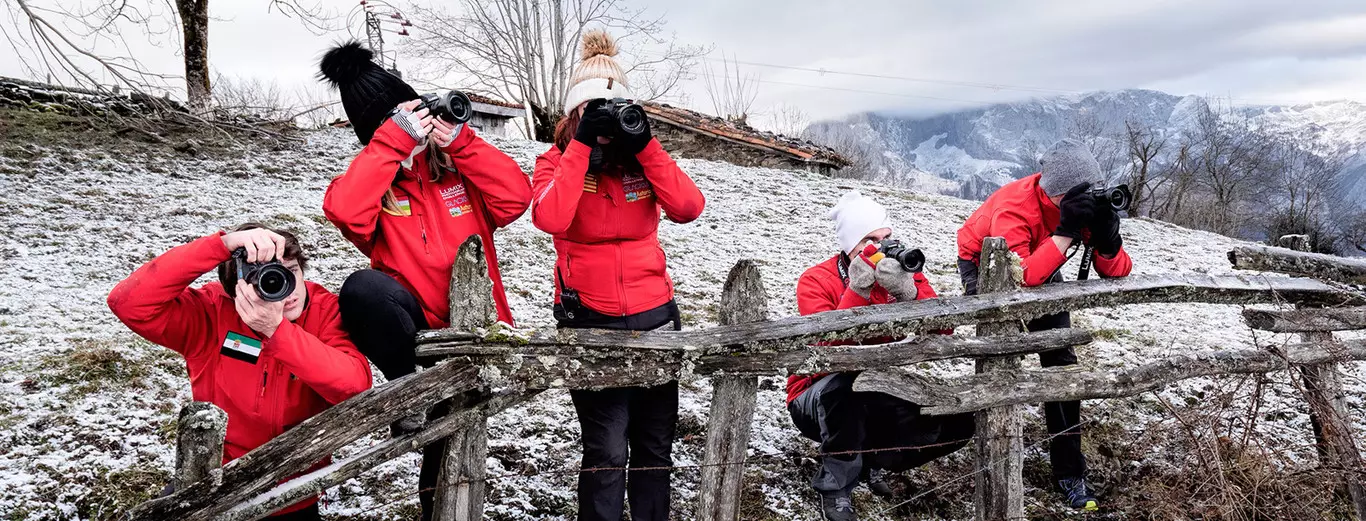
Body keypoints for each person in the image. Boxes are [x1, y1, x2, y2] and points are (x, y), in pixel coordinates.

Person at [318, 41, 532, 521]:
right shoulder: (372, 182)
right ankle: (407, 392)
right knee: (361, 288)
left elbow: (517, 197)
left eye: (411, 110)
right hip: (413, 333)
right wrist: (392, 144)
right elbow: (345, 212)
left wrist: (460, 141)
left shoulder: (458, 169)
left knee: (452, 441)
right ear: (376, 132)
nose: (413, 123)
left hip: (472, 324)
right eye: (395, 118)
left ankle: (442, 507)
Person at [530, 30, 704, 521]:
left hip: (655, 322)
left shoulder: (640, 162)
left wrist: (645, 144)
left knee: (654, 449)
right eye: (592, 111)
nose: (603, 121)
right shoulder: (554, 163)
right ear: (573, 115)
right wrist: (581, 148)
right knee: (606, 451)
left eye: (612, 109)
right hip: (591, 323)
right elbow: (551, 218)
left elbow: (689, 207)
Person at [107, 224, 372, 521]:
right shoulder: (211, 313)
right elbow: (128, 304)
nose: (286, 287)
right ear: (237, 288)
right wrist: (220, 246)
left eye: (291, 271)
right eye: (266, 277)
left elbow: (354, 387)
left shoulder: (323, 311)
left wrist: (277, 331)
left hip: (293, 486)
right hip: (217, 479)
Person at [956, 138, 1132, 511]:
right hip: (986, 261)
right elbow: (1021, 277)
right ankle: (993, 443)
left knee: (1061, 364)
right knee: (999, 351)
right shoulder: (1013, 208)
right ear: (1053, 194)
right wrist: (1066, 230)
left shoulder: (1077, 207)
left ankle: (1070, 472)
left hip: (1041, 259)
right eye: (1073, 194)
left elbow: (1117, 272)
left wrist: (1108, 240)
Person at [790, 191, 974, 521]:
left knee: (960, 421)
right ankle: (836, 485)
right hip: (816, 395)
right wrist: (857, 290)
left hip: (882, 387)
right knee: (847, 386)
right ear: (850, 246)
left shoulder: (901, 272)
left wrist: (910, 292)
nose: (881, 246)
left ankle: (874, 461)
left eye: (886, 237)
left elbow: (944, 329)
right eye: (870, 240)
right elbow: (823, 351)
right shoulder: (816, 280)